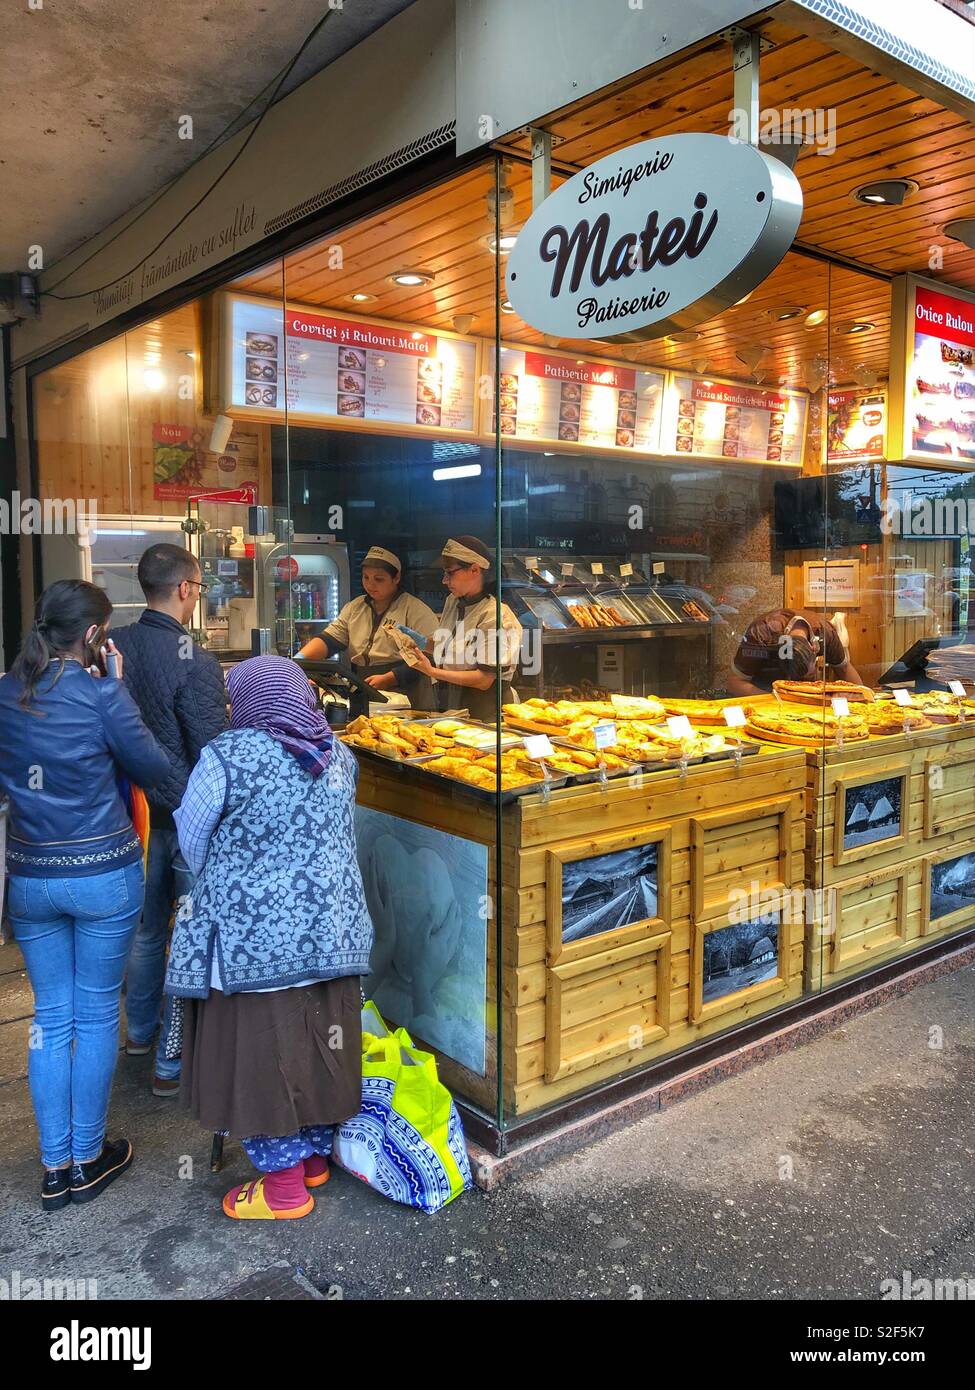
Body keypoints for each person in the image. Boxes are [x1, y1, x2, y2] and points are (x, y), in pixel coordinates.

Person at [165, 655, 374, 1220]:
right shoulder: (340, 755)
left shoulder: (228, 756)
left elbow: (192, 838)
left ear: (250, 702)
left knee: (261, 1056)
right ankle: (312, 1160)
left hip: (251, 945)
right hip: (331, 935)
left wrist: (236, 875)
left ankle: (284, 1189)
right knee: (318, 1048)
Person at [0, 580, 170, 1211]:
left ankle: (53, 1168)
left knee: (51, 1017)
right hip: (103, 874)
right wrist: (117, 689)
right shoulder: (103, 695)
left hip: (31, 877)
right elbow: (151, 767)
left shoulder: (5, 694)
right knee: (98, 1014)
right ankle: (87, 1157)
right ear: (96, 636)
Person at [113, 544, 228, 1097]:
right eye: (199, 586)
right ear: (186, 589)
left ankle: (138, 1034)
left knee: (145, 929)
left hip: (131, 814)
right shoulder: (196, 658)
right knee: (187, 936)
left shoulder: (116, 646)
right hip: (185, 816)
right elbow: (212, 748)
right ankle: (170, 1061)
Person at [294, 545, 439, 710]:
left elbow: (430, 657)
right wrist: (297, 663)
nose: (370, 584)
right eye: (366, 577)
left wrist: (391, 677)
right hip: (365, 682)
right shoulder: (355, 607)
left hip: (408, 686)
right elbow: (329, 641)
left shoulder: (416, 610)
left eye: (379, 579)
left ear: (396, 578)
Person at [409, 536, 523, 722]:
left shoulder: (496, 615)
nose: (445, 580)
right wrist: (418, 642)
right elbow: (447, 648)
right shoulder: (453, 601)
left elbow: (484, 680)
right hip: (452, 703)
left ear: (475, 570)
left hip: (485, 709)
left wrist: (432, 672)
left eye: (450, 573)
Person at [727, 608, 864, 697]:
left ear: (814, 648)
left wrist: (863, 697)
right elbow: (734, 683)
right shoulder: (759, 634)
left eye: (808, 674)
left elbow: (845, 669)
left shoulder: (826, 633)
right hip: (765, 691)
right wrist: (776, 699)